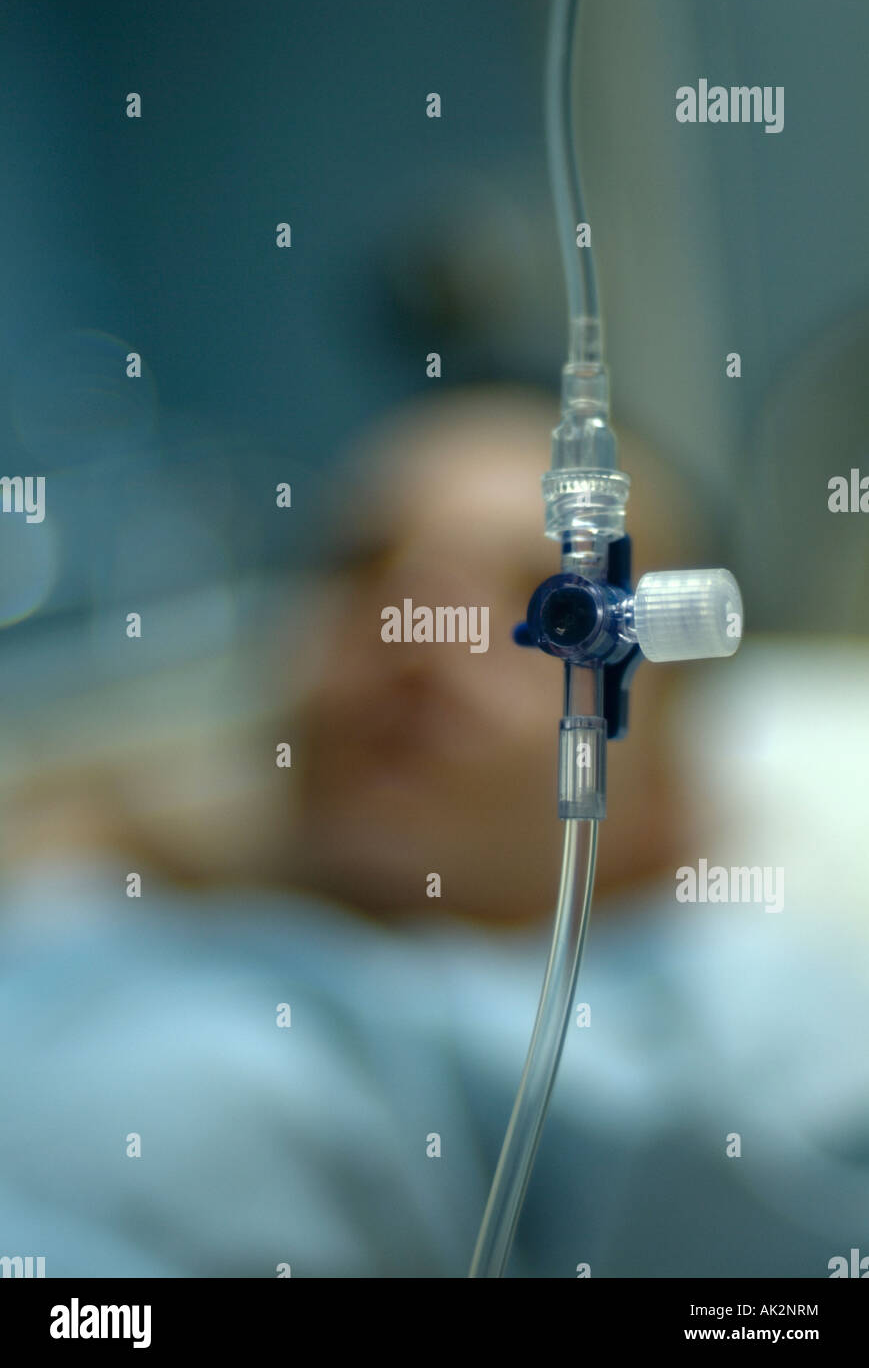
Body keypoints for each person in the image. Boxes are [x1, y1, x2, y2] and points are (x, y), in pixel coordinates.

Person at [0, 385, 866, 1278]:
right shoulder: (105, 899)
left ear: (673, 778)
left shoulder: (726, 1012)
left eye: (546, 595)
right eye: (363, 565)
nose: (412, 625)